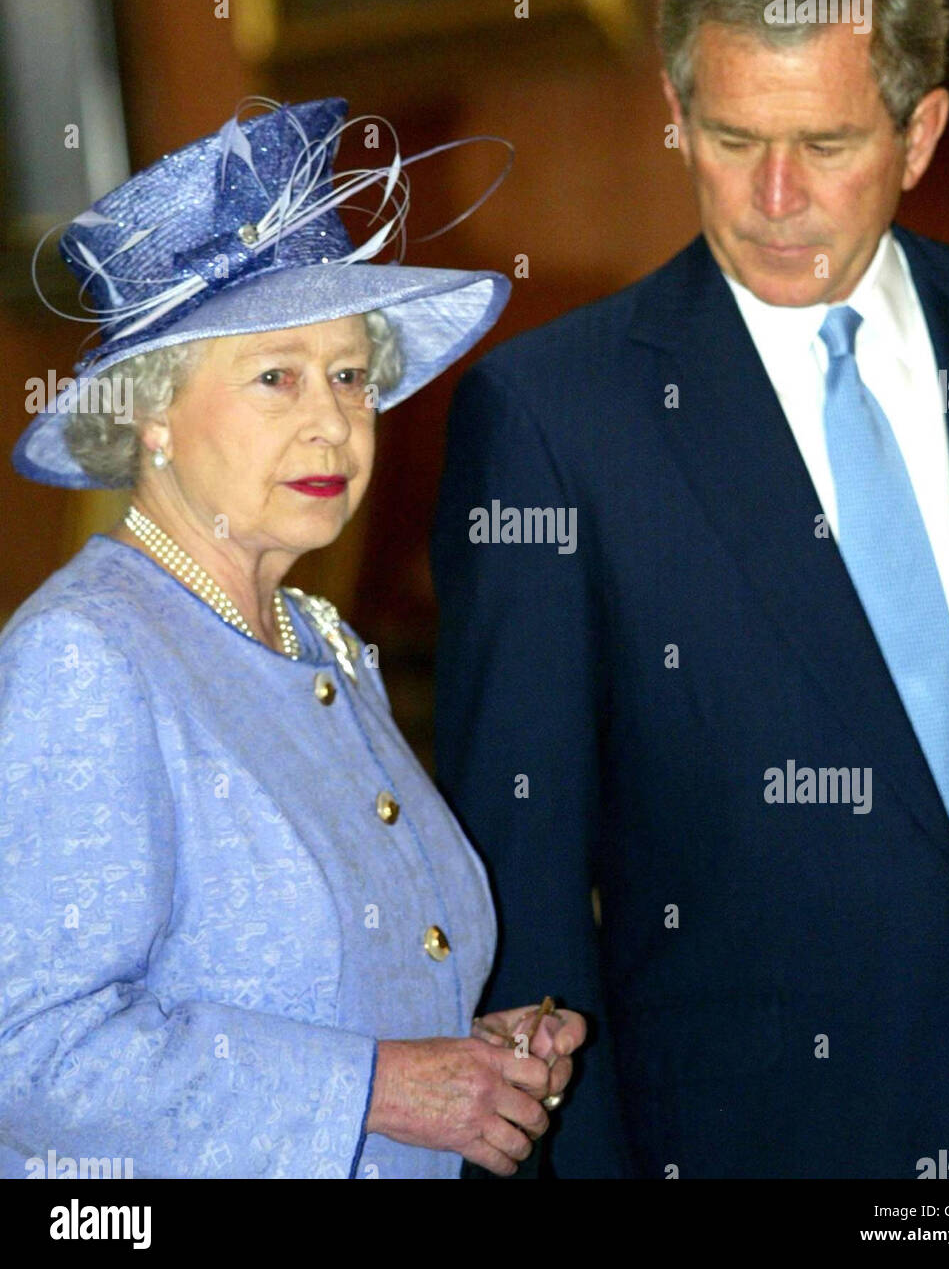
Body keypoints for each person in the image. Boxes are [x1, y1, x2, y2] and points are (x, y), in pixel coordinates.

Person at [432, 0, 949, 1179]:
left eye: (824, 142)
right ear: (675, 111)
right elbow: (522, 878)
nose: (775, 199)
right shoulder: (552, 419)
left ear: (921, 130)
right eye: (730, 138)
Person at [0, 95, 585, 1180]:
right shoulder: (85, 657)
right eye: (277, 376)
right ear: (152, 411)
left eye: (352, 376)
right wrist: (381, 1087)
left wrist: (467, 1058)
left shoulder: (318, 643)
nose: (334, 421)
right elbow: (27, 1051)